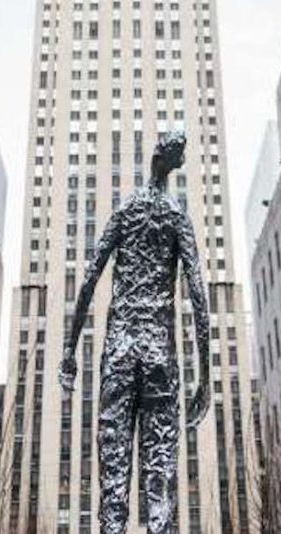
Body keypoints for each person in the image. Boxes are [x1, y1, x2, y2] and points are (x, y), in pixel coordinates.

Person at [58, 129, 211, 534]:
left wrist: (69, 351)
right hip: (158, 353)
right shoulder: (176, 217)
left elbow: (90, 278)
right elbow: (198, 294)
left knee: (114, 473)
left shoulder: (126, 210)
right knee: (160, 473)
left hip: (120, 352)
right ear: (172, 163)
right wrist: (205, 375)